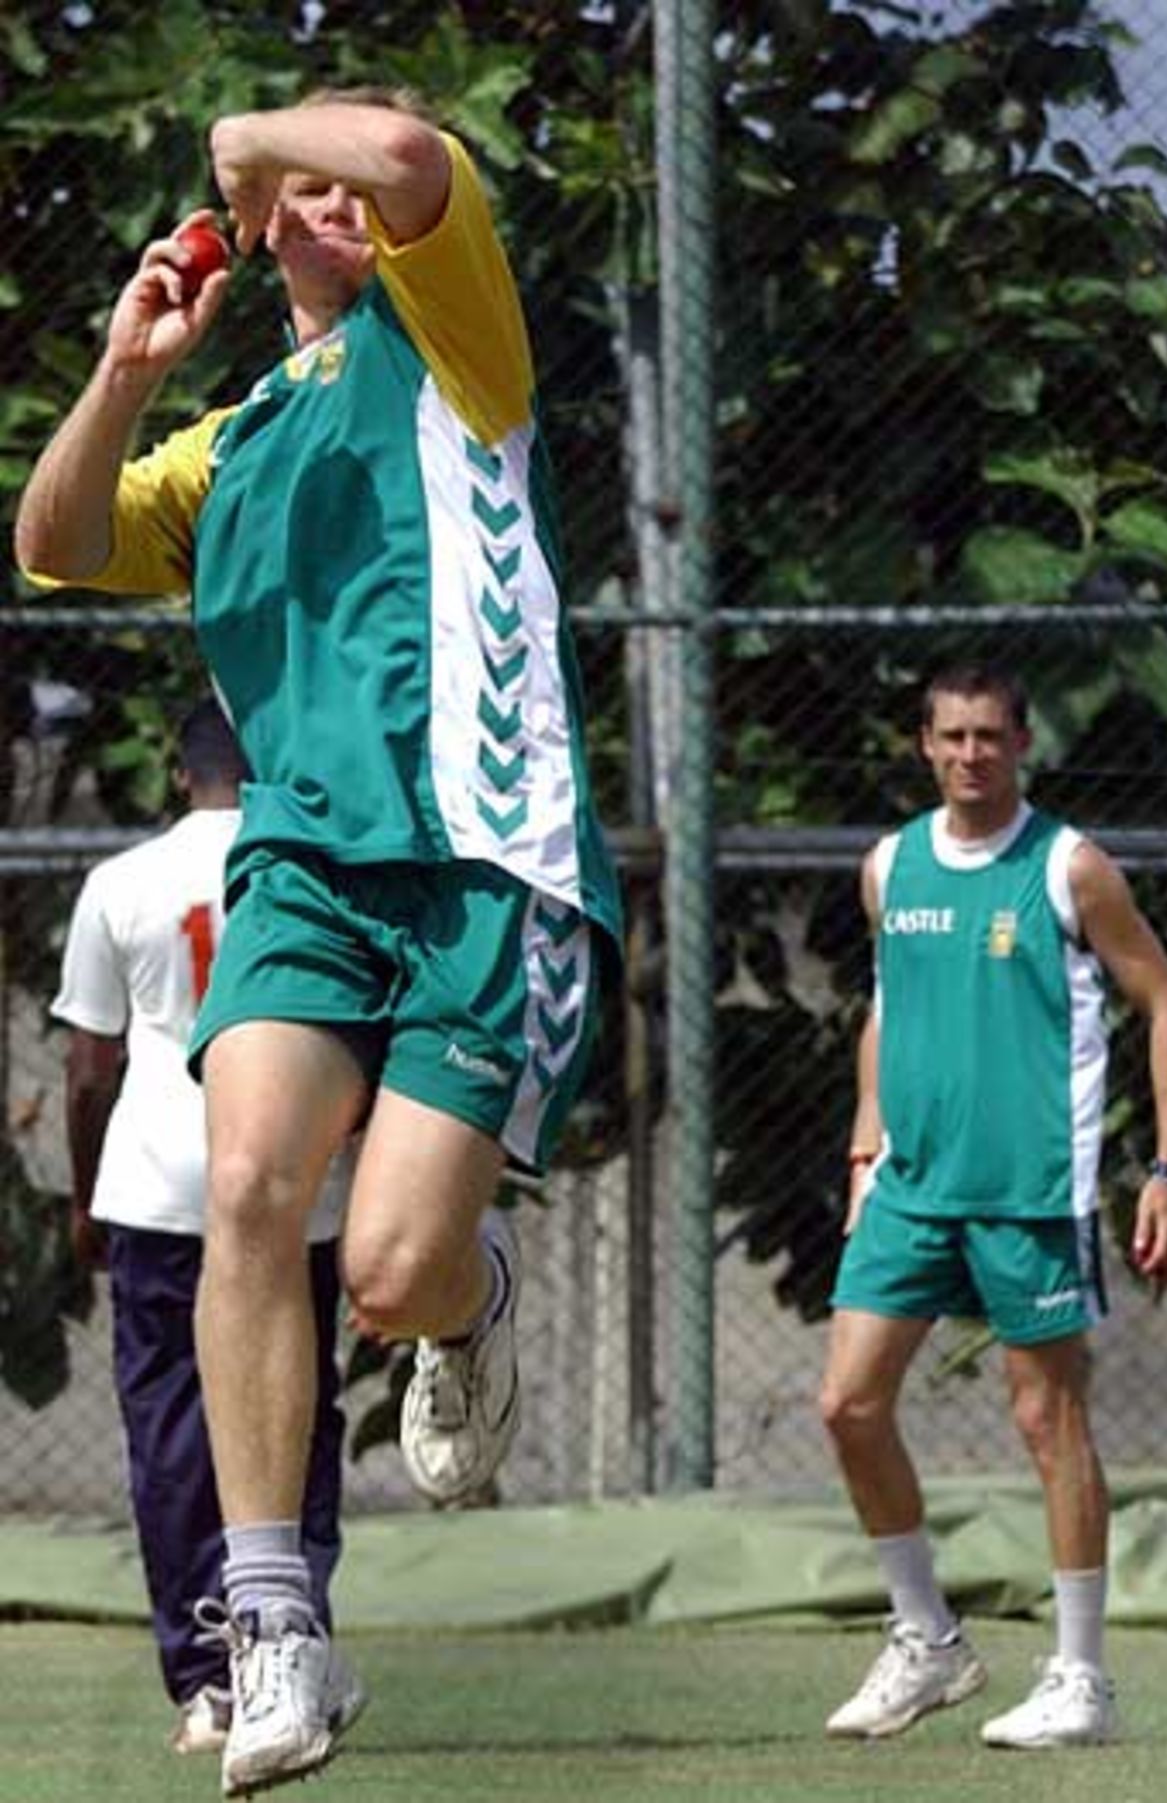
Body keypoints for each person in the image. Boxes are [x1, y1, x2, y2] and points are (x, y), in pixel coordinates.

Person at [16, 88, 621, 1797]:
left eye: (343, 184)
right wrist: (131, 364)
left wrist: (247, 130)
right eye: (308, 193)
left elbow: (417, 166)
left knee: (391, 1272)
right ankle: (274, 1624)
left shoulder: (456, 337)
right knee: (249, 1183)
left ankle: (467, 1296)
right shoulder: (242, 432)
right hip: (301, 861)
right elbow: (54, 542)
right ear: (271, 233)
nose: (342, 200)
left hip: (481, 863)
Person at [819, 662, 1167, 1750]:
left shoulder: (1070, 866)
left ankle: (1082, 1678)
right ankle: (929, 1640)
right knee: (847, 1405)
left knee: (1047, 1419)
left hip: (1030, 1193)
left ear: (1023, 744)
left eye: (991, 736)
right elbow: (887, 1011)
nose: (971, 753)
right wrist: (862, 1145)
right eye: (952, 736)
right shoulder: (890, 866)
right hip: (908, 1191)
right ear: (924, 745)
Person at [50, 699, 363, 1757]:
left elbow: (91, 1067)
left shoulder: (121, 882)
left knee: (178, 1437)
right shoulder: (314, 871)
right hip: (290, 1188)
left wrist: (85, 1191)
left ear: (179, 775)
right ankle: (296, 1636)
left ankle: (211, 1677)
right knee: (294, 1414)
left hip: (159, 1190)